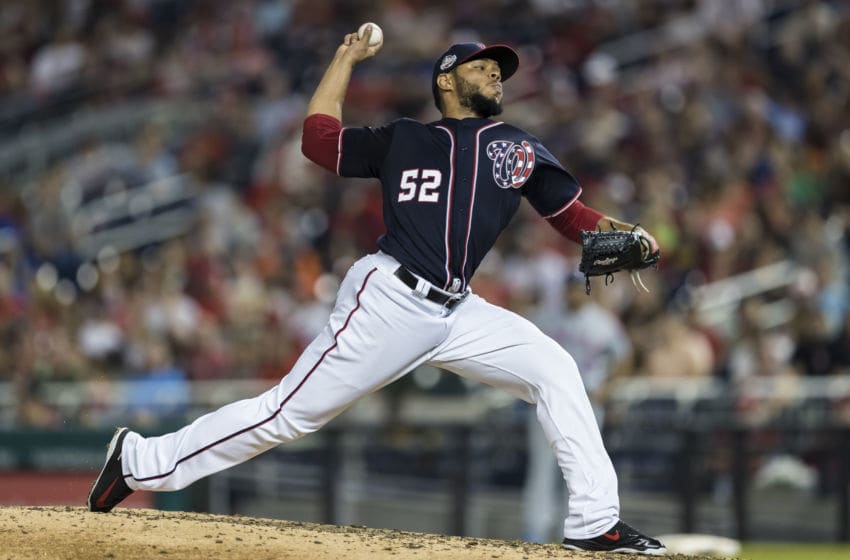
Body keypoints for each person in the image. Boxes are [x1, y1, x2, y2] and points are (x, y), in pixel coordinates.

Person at [88, 26, 666, 555]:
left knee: (555, 370)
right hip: (390, 298)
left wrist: (628, 234)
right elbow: (318, 141)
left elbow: (573, 216)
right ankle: (138, 460)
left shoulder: (516, 146)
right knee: (287, 414)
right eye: (481, 66)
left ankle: (595, 522)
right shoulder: (404, 139)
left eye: (500, 70)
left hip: (460, 311)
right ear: (447, 79)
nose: (495, 74)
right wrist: (344, 59)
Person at [522, 272, 631, 543]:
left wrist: (607, 387)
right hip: (548, 404)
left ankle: (571, 534)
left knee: (580, 472)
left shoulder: (603, 322)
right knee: (542, 470)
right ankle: (535, 532)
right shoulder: (546, 316)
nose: (573, 292)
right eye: (569, 287)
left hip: (586, 405)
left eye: (578, 288)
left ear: (587, 290)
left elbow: (625, 358)